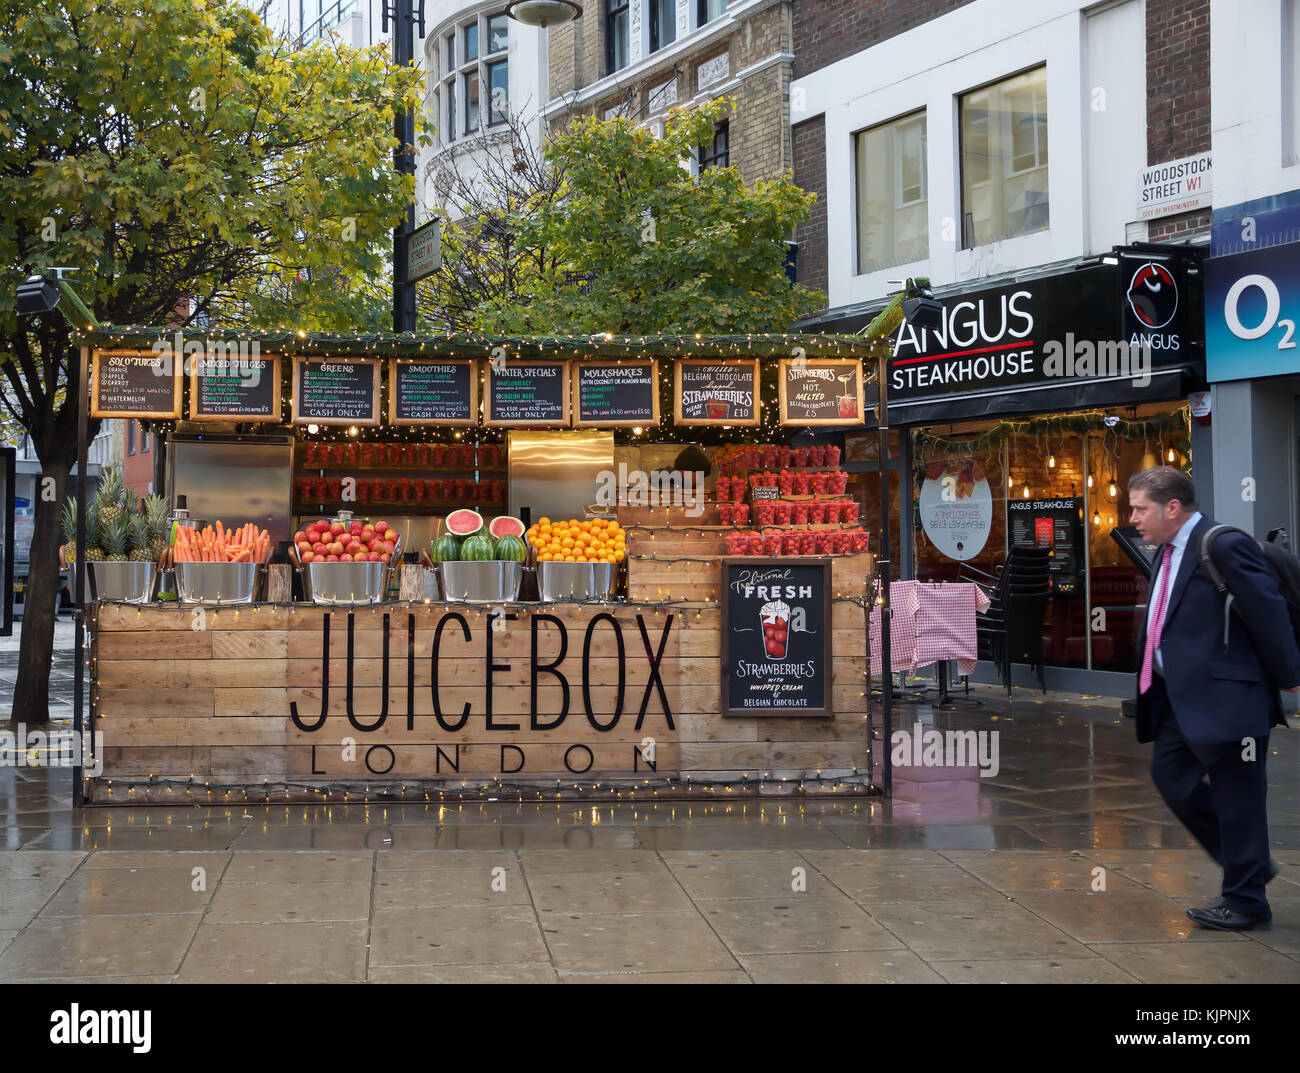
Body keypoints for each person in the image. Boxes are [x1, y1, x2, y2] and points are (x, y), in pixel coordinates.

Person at [1129, 466, 1300, 931]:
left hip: (1228, 698)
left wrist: (1290, 676)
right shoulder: (1167, 549)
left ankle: (1246, 901)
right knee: (1172, 778)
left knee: (1238, 800)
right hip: (1178, 698)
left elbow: (1269, 612)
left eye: (1140, 508)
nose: (1133, 518)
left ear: (1172, 507)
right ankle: (1250, 863)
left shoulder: (1222, 544)